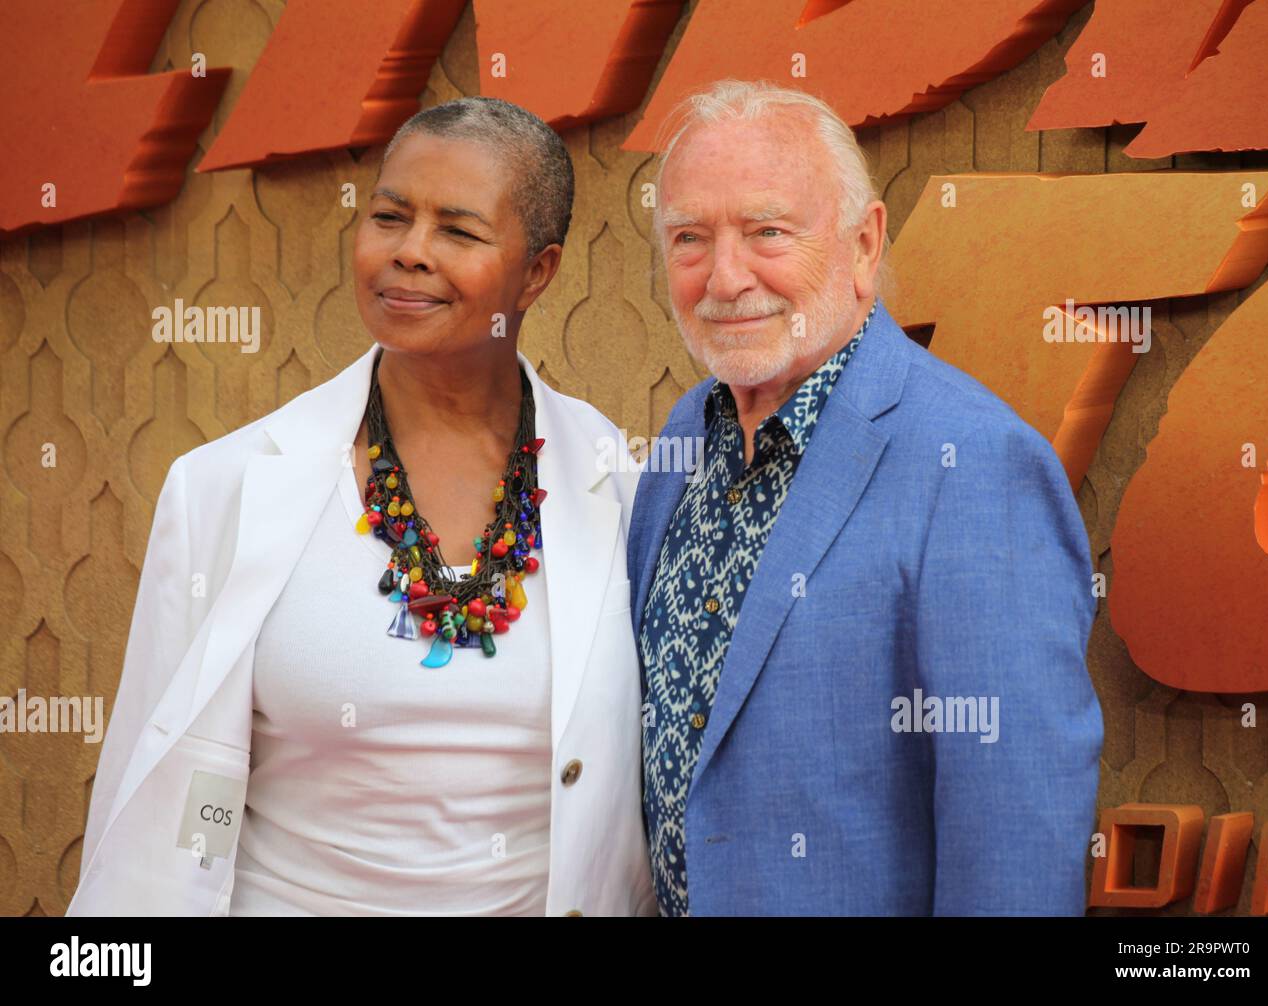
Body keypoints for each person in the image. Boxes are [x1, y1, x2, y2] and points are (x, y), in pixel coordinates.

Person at [67, 97, 655, 916]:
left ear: (538, 272)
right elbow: (155, 803)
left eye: (458, 230)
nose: (410, 253)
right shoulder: (225, 487)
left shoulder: (618, 484)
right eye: (389, 217)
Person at [628, 79, 1105, 916]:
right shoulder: (682, 439)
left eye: (768, 232)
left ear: (864, 243)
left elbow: (1016, 842)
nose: (725, 277)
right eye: (690, 238)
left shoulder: (975, 464)